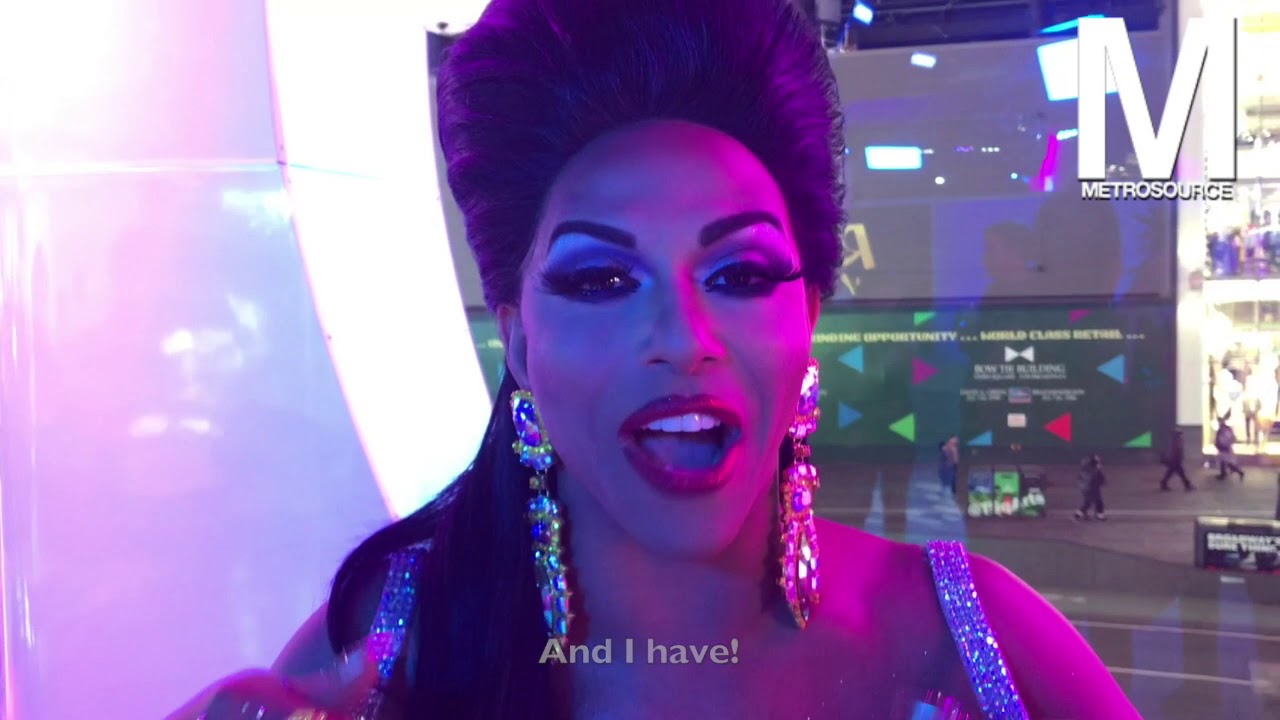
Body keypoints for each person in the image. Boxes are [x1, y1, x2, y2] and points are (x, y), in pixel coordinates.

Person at [169, 1, 1140, 718]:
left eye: (740, 274)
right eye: (600, 279)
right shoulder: (385, 650)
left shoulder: (984, 643)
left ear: (807, 316)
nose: (681, 336)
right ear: (520, 340)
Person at [1075, 455, 1107, 521]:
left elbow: (1080, 478)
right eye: (1097, 462)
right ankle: (1099, 515)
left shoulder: (1084, 469)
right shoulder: (1094, 471)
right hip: (1092, 488)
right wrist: (1099, 472)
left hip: (1084, 488)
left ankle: (1079, 514)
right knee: (1098, 502)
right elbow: (1098, 480)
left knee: (1088, 502)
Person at [1215, 415, 1245, 481]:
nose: (1219, 422)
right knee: (1223, 461)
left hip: (1225, 448)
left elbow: (1224, 438)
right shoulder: (1225, 428)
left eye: (1219, 421)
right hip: (1224, 447)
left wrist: (1221, 444)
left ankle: (1239, 472)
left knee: (1228, 462)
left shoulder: (1223, 429)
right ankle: (1224, 474)